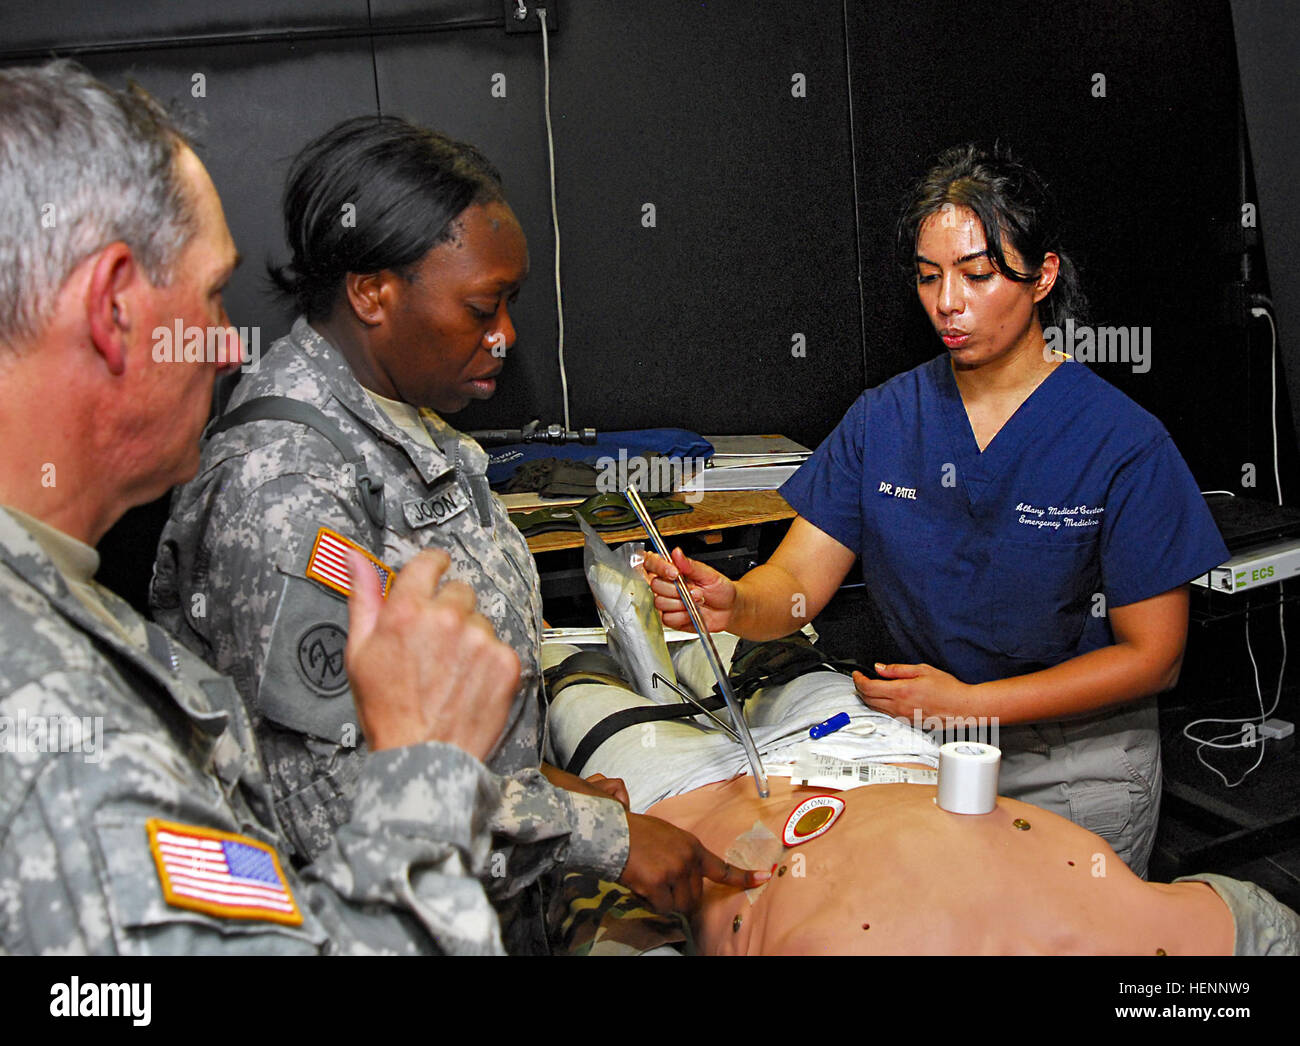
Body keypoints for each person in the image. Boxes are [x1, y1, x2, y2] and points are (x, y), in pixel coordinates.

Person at [151, 115, 761, 954]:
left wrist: (540, 785)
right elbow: (338, 806)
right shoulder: (286, 489)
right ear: (372, 292)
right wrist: (599, 840)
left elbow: (427, 715)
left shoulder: (404, 412)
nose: (505, 335)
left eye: (510, 302)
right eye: (482, 306)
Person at [0, 60, 533, 954]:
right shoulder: (50, 727)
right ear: (113, 308)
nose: (225, 345)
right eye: (212, 295)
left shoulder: (53, 612)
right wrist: (429, 772)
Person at [644, 144, 1229, 877]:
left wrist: (976, 701)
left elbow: (1155, 657)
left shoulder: (1121, 440)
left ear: (1043, 275)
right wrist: (732, 601)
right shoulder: (884, 420)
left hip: (1073, 759)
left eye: (978, 275)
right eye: (929, 277)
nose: (947, 302)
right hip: (927, 742)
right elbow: (794, 584)